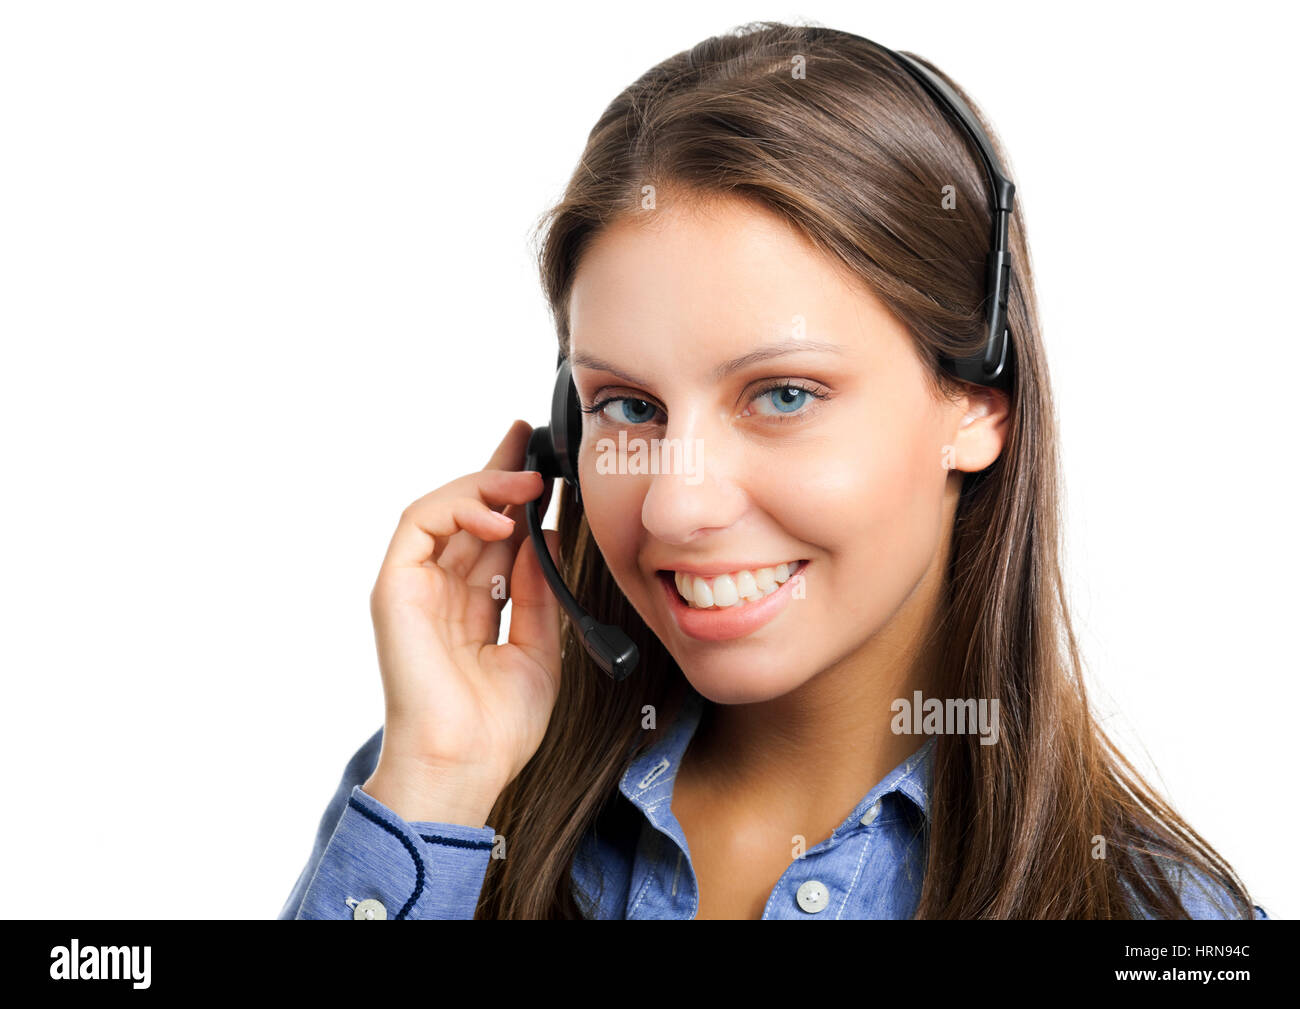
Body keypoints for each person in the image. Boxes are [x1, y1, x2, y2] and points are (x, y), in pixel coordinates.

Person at [279, 21, 1268, 920]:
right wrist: (439, 778)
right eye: (629, 404)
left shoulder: (1162, 920)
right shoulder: (433, 810)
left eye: (783, 394)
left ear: (974, 405)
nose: (675, 500)